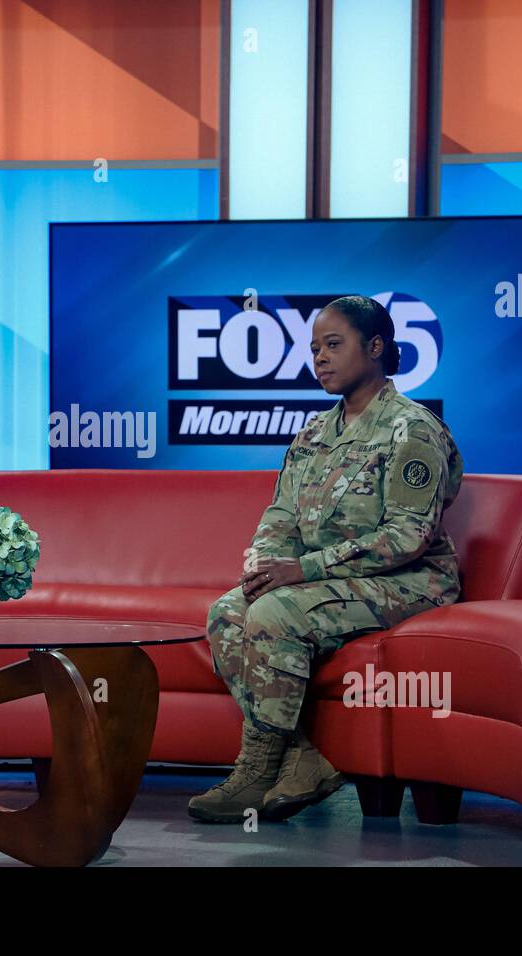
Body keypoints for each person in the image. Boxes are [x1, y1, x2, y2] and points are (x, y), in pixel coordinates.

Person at [188, 294, 463, 824]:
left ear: (376, 347)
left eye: (333, 345)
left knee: (276, 614)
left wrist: (304, 570)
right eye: (315, 348)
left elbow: (408, 536)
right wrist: (265, 567)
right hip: (332, 581)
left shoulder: (412, 428)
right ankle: (303, 757)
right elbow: (281, 515)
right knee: (229, 610)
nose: (320, 358)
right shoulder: (314, 431)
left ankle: (257, 770)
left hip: (410, 583)